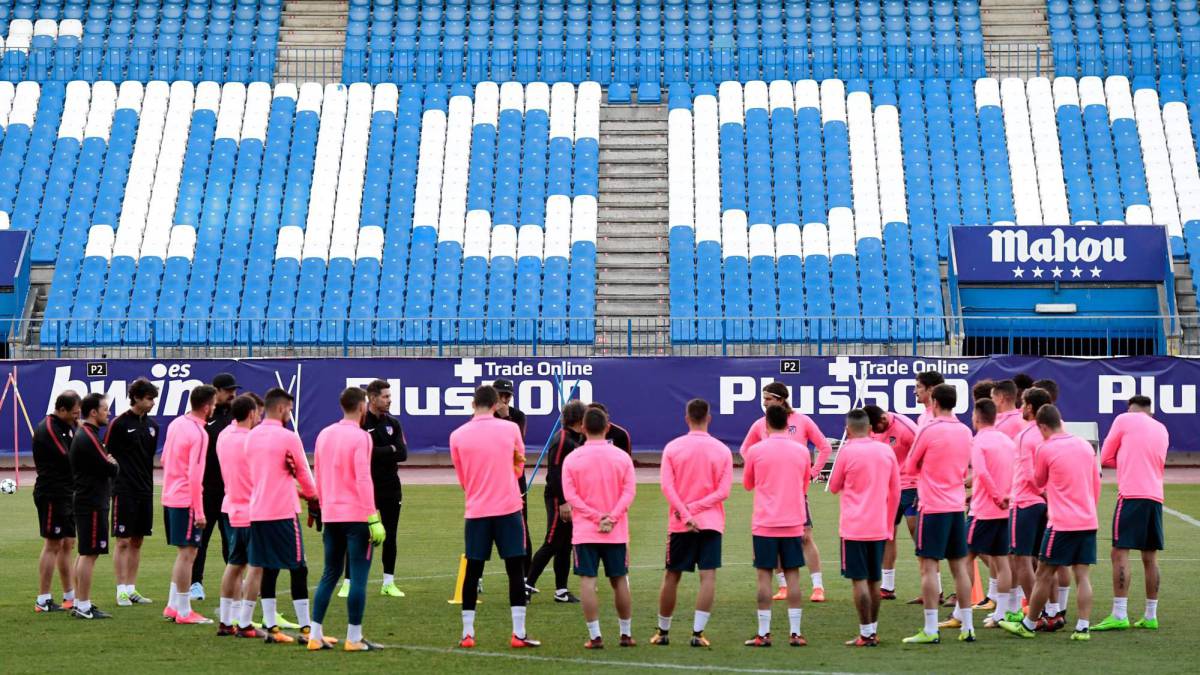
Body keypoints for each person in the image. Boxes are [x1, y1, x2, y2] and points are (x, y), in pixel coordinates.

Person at [449, 384, 540, 649]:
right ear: (496, 404)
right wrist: (504, 482)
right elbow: (519, 463)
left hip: (476, 509)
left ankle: (468, 634)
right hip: (508, 508)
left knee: (473, 571)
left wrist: (478, 489)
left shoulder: (458, 435)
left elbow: (461, 475)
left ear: (473, 405)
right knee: (514, 570)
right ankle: (519, 633)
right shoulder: (510, 428)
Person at [1000, 405, 1100, 642]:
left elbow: (1038, 481)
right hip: (1087, 519)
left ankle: (1029, 623)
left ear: (1043, 426)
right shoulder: (1084, 445)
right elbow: (1095, 481)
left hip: (1062, 523)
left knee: (1044, 573)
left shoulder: (1046, 448)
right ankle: (1083, 627)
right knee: (1082, 575)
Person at [241, 387, 327, 646]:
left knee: (268, 567)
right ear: (281, 408)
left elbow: (264, 474)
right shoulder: (288, 438)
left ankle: (271, 626)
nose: (290, 413)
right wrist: (314, 497)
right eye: (289, 409)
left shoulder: (251, 437)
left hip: (257, 510)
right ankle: (305, 626)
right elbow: (303, 472)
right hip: (282, 511)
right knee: (298, 566)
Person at [309, 387, 387, 652]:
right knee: (358, 577)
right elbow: (363, 478)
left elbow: (317, 473)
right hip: (356, 516)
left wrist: (320, 505)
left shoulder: (324, 434)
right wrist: (373, 517)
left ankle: (315, 634)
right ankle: (354, 637)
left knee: (329, 573)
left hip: (331, 515)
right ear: (363, 407)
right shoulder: (361, 437)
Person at [650, 398, 732, 648]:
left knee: (672, 576)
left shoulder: (673, 448)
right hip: (710, 522)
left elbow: (667, 486)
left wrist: (686, 512)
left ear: (687, 418)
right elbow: (723, 491)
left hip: (681, 523)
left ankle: (663, 632)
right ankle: (697, 634)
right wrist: (696, 510)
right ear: (709, 418)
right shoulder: (722, 450)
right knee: (708, 577)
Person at [740, 382, 831, 603]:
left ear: (781, 399)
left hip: (797, 492)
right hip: (770, 492)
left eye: (768, 398)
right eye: (763, 398)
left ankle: (818, 587)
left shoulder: (802, 421)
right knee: (773, 537)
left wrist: (813, 472)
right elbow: (745, 450)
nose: (764, 402)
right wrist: (761, 469)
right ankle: (783, 586)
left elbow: (824, 447)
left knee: (805, 537)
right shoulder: (760, 424)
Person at [902, 383, 976, 644]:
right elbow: (969, 466)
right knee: (960, 568)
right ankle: (967, 626)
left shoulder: (928, 429)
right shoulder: (966, 431)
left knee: (929, 568)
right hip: (956, 506)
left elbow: (910, 465)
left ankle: (931, 629)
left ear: (933, 402)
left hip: (932, 506)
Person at [563, 406, 638, 649]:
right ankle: (625, 634)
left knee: (587, 580)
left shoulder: (573, 458)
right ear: (607, 427)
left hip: (586, 530)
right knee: (619, 580)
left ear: (583, 428)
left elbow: (571, 496)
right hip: (614, 531)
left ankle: (595, 636)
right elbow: (629, 492)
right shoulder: (621, 457)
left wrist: (595, 518)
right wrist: (611, 517)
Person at [1093, 395, 1168, 632]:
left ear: (1130, 409)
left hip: (1131, 495)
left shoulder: (1123, 420)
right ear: (1150, 411)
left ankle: (1119, 613)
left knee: (1119, 552)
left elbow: (1105, 457)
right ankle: (1150, 615)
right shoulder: (1161, 428)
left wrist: (1126, 462)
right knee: (1150, 556)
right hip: (1155, 496)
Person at [828, 409, 900, 647]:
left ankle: (866, 632)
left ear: (848, 430)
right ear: (870, 428)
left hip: (854, 527)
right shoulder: (886, 450)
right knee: (874, 580)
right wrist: (889, 523)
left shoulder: (846, 452)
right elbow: (896, 491)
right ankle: (872, 630)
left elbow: (835, 485)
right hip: (879, 525)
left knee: (859, 580)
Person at [742, 404, 812, 648]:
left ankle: (764, 633)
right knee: (793, 577)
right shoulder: (802, 452)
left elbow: (748, 484)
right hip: (793, 521)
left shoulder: (756, 451)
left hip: (765, 523)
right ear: (787, 423)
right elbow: (805, 485)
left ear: (766, 424)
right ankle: (796, 633)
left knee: (764, 577)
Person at [338, 379, 407, 600]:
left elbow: (403, 453)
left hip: (390, 487)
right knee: (358, 534)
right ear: (373, 398)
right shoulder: (359, 422)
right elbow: (360, 452)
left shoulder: (393, 423)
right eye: (385, 396)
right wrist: (390, 449)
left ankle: (388, 582)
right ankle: (348, 582)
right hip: (364, 486)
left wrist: (378, 449)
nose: (389, 400)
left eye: (389, 396)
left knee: (391, 535)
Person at [160, 384, 217, 625]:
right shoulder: (199, 433)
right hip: (186, 499)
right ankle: (184, 610)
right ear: (206, 407)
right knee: (188, 554)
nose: (214, 408)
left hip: (170, 496)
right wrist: (200, 510)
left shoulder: (176, 424)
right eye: (213, 404)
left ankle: (173, 605)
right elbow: (195, 475)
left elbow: (163, 458)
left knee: (183, 554)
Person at [962, 399, 1019, 629]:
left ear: (976, 418)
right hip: (1005, 509)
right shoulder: (1007, 441)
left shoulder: (978, 442)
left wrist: (994, 496)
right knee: (1002, 560)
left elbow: (983, 473)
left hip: (985, 511)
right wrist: (1005, 497)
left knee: (964, 557)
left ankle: (961, 611)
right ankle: (1001, 613)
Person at [526, 400, 586, 602]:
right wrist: (563, 502)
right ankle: (527, 584)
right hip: (557, 497)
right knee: (552, 541)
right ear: (579, 418)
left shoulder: (576, 438)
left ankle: (561, 591)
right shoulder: (562, 440)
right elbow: (555, 472)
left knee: (565, 544)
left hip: (570, 498)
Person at [106, 377, 159, 607]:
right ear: (136, 398)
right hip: (124, 489)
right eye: (149, 399)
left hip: (145, 490)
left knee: (138, 541)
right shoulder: (118, 424)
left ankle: (131, 588)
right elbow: (106, 453)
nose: (153, 403)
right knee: (123, 541)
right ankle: (120, 590)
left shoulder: (153, 427)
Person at [215, 393, 263, 637]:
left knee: (234, 564)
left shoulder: (224, 435)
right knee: (256, 567)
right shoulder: (253, 440)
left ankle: (226, 620)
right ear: (252, 413)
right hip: (253, 509)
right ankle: (245, 622)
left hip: (230, 506)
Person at [68, 393, 117, 620]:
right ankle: (84, 605)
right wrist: (112, 464)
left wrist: (110, 463)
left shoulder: (86, 434)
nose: (109, 413)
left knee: (84, 552)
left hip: (88, 499)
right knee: (90, 553)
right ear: (94, 412)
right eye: (105, 409)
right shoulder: (88, 436)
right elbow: (111, 467)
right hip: (93, 501)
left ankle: (80, 601)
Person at [1009, 387, 1055, 626]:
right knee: (1044, 560)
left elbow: (1029, 474)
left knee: (1021, 559)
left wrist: (1040, 492)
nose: (1020, 408)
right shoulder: (1050, 433)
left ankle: (1034, 614)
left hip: (1025, 501)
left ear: (1029, 407)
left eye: (1023, 404)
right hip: (1045, 503)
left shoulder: (1027, 434)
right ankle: (1053, 611)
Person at [191, 373, 239, 601]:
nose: (233, 394)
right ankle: (195, 583)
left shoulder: (235, 416)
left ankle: (235, 580)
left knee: (231, 539)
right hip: (206, 488)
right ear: (216, 391)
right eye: (229, 390)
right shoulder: (203, 419)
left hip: (230, 489)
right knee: (201, 539)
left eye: (234, 390)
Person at [863, 404, 919, 601]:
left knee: (917, 533)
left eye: (874, 428)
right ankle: (887, 587)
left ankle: (934, 588)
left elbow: (924, 452)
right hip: (886, 489)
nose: (873, 432)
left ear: (883, 420)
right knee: (887, 534)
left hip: (911, 486)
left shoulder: (906, 428)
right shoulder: (871, 430)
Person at [32, 391, 80, 613]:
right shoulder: (49, 427)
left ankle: (70, 596)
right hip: (52, 493)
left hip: (67, 492)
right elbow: (69, 456)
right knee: (52, 543)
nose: (76, 416)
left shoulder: (69, 426)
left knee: (68, 542)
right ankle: (43, 599)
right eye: (73, 412)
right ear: (61, 410)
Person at [493, 379, 533, 581]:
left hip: (515, 479)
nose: (504, 400)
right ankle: (477, 575)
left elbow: (516, 446)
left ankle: (525, 576)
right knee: (486, 526)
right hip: (491, 479)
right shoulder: (483, 417)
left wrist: (505, 417)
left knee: (521, 525)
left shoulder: (517, 416)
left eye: (507, 396)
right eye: (501, 395)